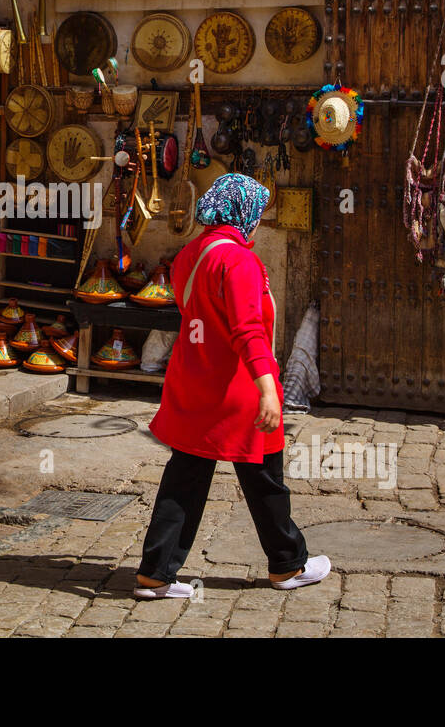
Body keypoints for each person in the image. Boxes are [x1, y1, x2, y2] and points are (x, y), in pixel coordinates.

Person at [134, 173, 330, 599]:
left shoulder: (190, 254)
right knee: (265, 479)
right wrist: (266, 388)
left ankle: (156, 573)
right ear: (244, 215)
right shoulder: (238, 261)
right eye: (257, 214)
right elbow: (247, 331)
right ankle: (287, 565)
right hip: (237, 389)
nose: (258, 223)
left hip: (193, 383)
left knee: (184, 479)